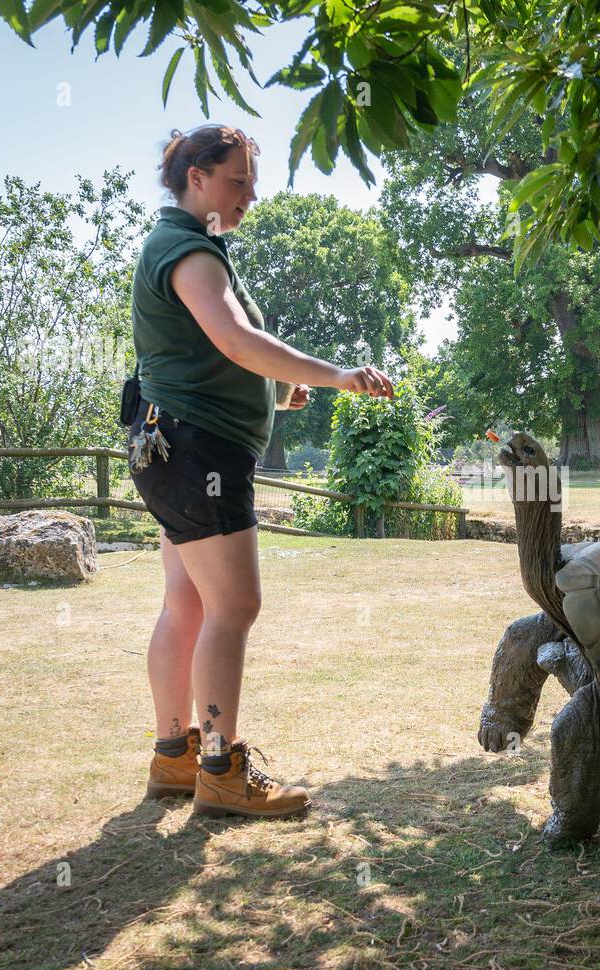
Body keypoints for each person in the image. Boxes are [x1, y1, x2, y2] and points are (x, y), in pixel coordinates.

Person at [132, 124, 394, 818]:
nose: (250, 195)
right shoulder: (189, 250)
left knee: (186, 605)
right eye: (237, 180)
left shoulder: (183, 245)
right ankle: (220, 767)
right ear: (197, 178)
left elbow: (208, 354)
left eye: (252, 182)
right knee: (234, 607)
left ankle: (174, 757)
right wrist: (337, 374)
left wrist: (274, 389)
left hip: (169, 449)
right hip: (200, 454)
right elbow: (235, 339)